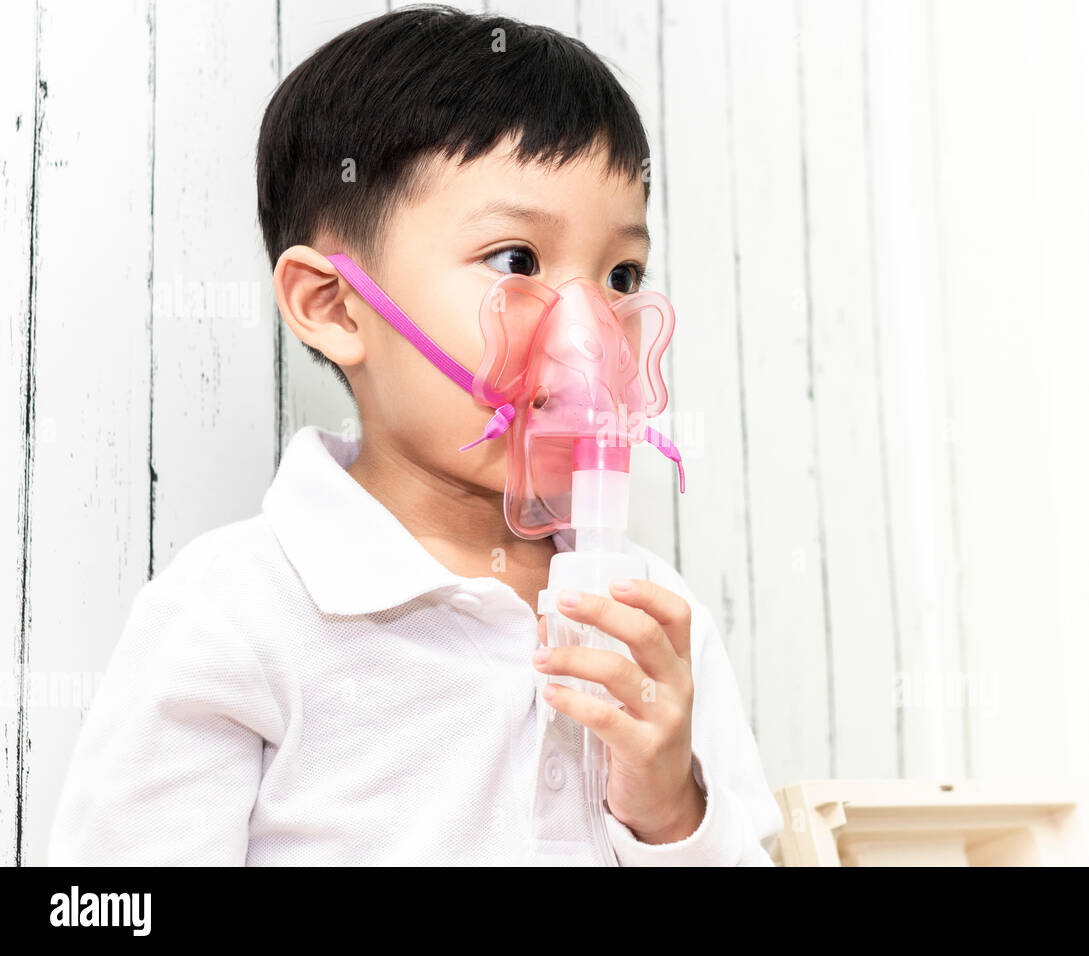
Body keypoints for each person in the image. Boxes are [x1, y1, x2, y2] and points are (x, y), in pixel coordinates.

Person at [47, 3, 782, 866]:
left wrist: (670, 809)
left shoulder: (652, 611)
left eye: (621, 274)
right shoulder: (234, 614)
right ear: (334, 306)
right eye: (517, 260)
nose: (591, 329)